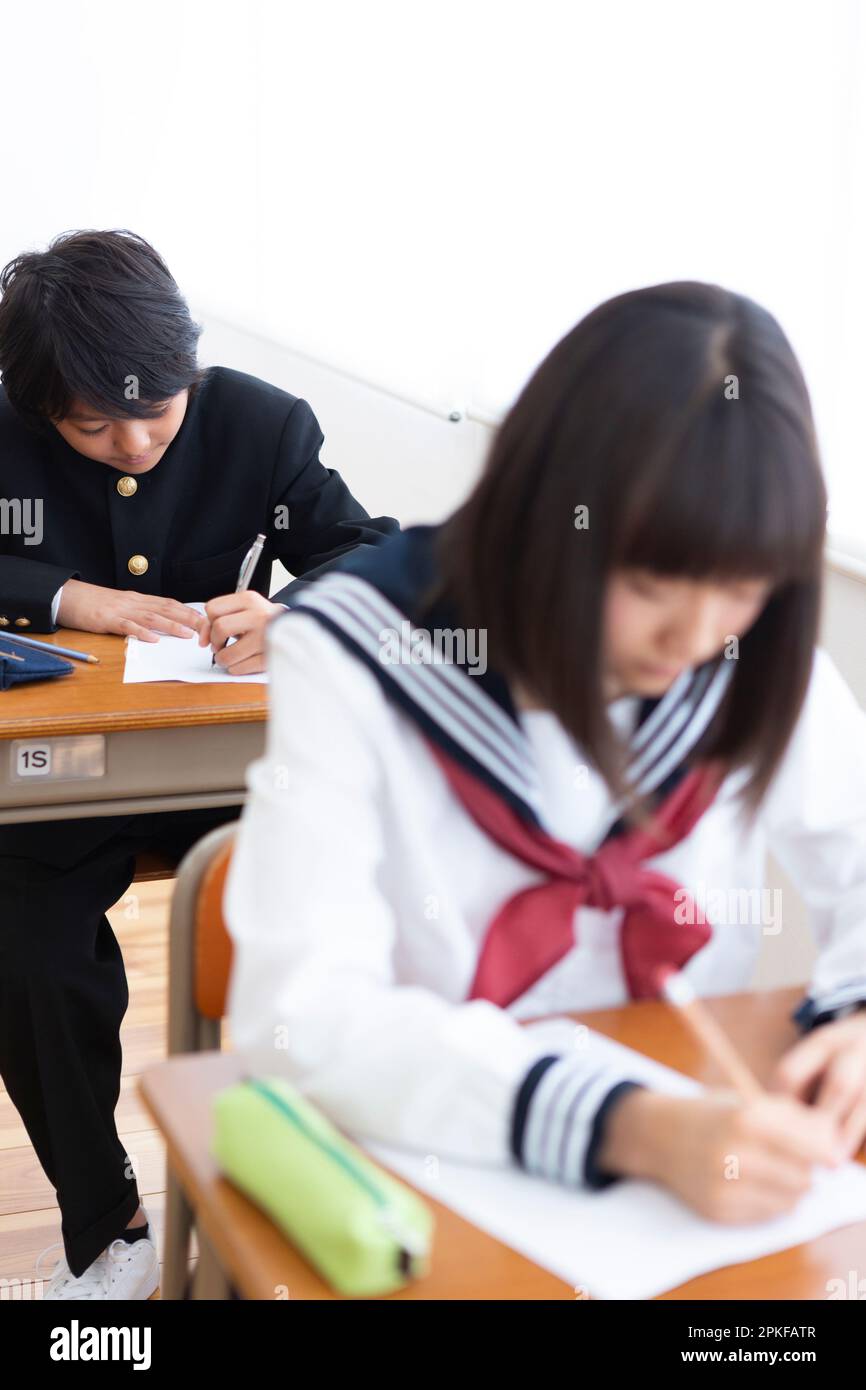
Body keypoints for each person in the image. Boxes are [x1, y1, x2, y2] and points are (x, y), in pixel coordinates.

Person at [226, 281, 866, 1236]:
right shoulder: (356, 651)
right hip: (429, 1165)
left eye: (740, 590)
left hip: (706, 1181)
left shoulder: (755, 655)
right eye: (651, 584)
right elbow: (302, 1017)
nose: (694, 637)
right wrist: (631, 1129)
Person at [0, 228, 398, 1299]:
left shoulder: (261, 421)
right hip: (59, 773)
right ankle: (109, 1230)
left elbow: (368, 548)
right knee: (28, 948)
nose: (133, 443)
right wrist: (62, 596)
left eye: (154, 411)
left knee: (304, 919)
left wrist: (291, 607)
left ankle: (283, 1189)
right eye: (92, 425)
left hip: (222, 769)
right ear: (38, 405)